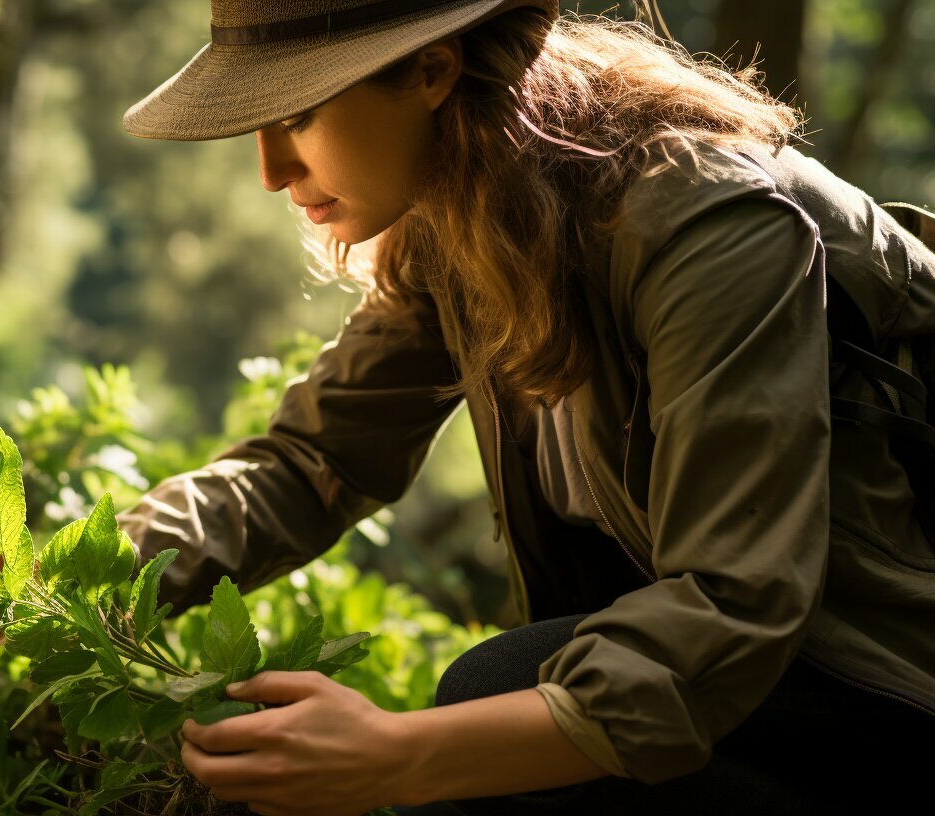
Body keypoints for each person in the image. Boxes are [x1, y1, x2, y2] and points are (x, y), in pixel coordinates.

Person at [113, 1, 935, 814]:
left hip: (882, 689)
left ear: (433, 70)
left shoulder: (707, 223)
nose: (269, 170)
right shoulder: (468, 216)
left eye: (296, 116)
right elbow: (313, 461)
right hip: (733, 682)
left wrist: (394, 756)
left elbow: (733, 604)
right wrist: (89, 580)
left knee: (492, 697)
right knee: (483, 747)